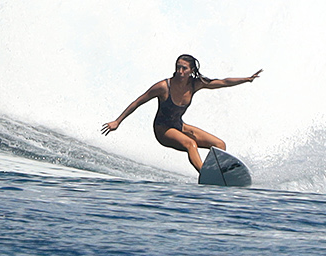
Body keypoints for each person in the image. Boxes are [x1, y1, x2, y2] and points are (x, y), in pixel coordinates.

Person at [100, 54, 263, 172]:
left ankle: (219, 174)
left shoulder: (195, 84)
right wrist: (117, 121)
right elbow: (138, 101)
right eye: (177, 67)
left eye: (184, 68)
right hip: (163, 130)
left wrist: (247, 79)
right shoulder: (164, 87)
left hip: (179, 125)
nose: (179, 71)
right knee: (190, 144)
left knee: (220, 145)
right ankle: (205, 175)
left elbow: (222, 82)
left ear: (191, 70)